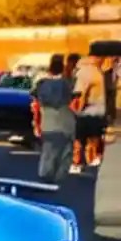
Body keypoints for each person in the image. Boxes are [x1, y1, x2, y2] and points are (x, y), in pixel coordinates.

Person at [33, 54, 75, 184]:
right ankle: (59, 175)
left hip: (48, 121)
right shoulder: (67, 83)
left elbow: (36, 105)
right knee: (66, 149)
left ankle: (45, 173)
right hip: (65, 120)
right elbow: (73, 101)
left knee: (49, 148)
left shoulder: (41, 84)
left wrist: (36, 123)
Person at [70, 54, 107, 173]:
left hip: (87, 112)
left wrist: (76, 110)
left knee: (79, 139)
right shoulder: (97, 71)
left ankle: (77, 164)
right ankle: (92, 162)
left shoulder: (84, 72)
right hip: (99, 111)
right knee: (94, 139)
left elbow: (80, 95)